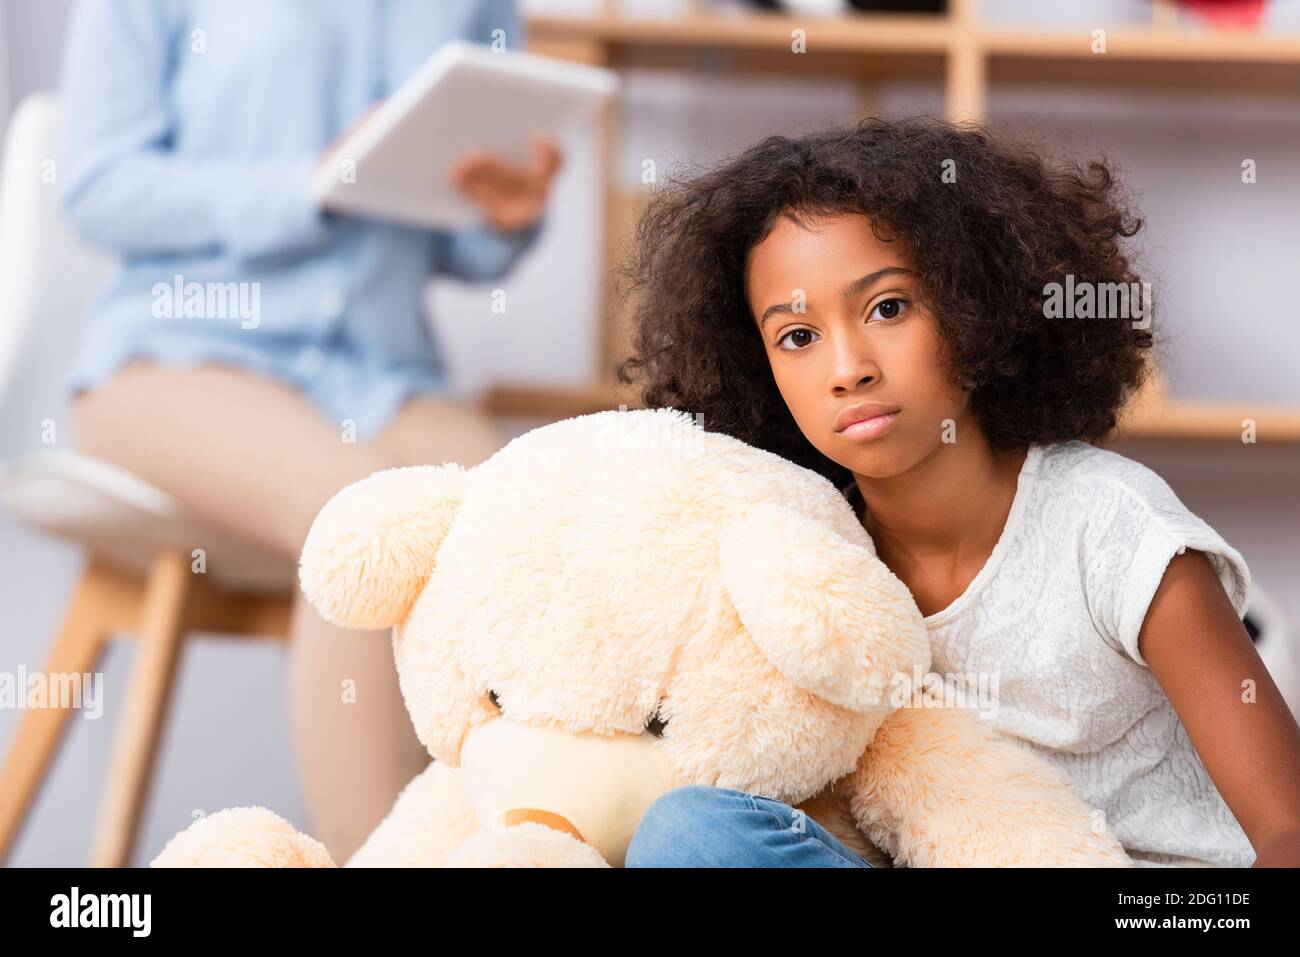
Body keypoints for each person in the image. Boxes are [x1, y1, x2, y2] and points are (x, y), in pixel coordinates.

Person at [617, 116, 1300, 867]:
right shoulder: (808, 564)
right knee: (692, 830)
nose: (848, 368)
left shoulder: (1114, 529)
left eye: (888, 307)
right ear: (760, 370)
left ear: (978, 308)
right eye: (798, 336)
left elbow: (1286, 829)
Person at [59, 0, 561, 862]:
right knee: (361, 513)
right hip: (177, 354)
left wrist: (506, 212)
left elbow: (465, 250)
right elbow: (97, 185)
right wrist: (307, 184)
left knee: (530, 522)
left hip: (384, 370)